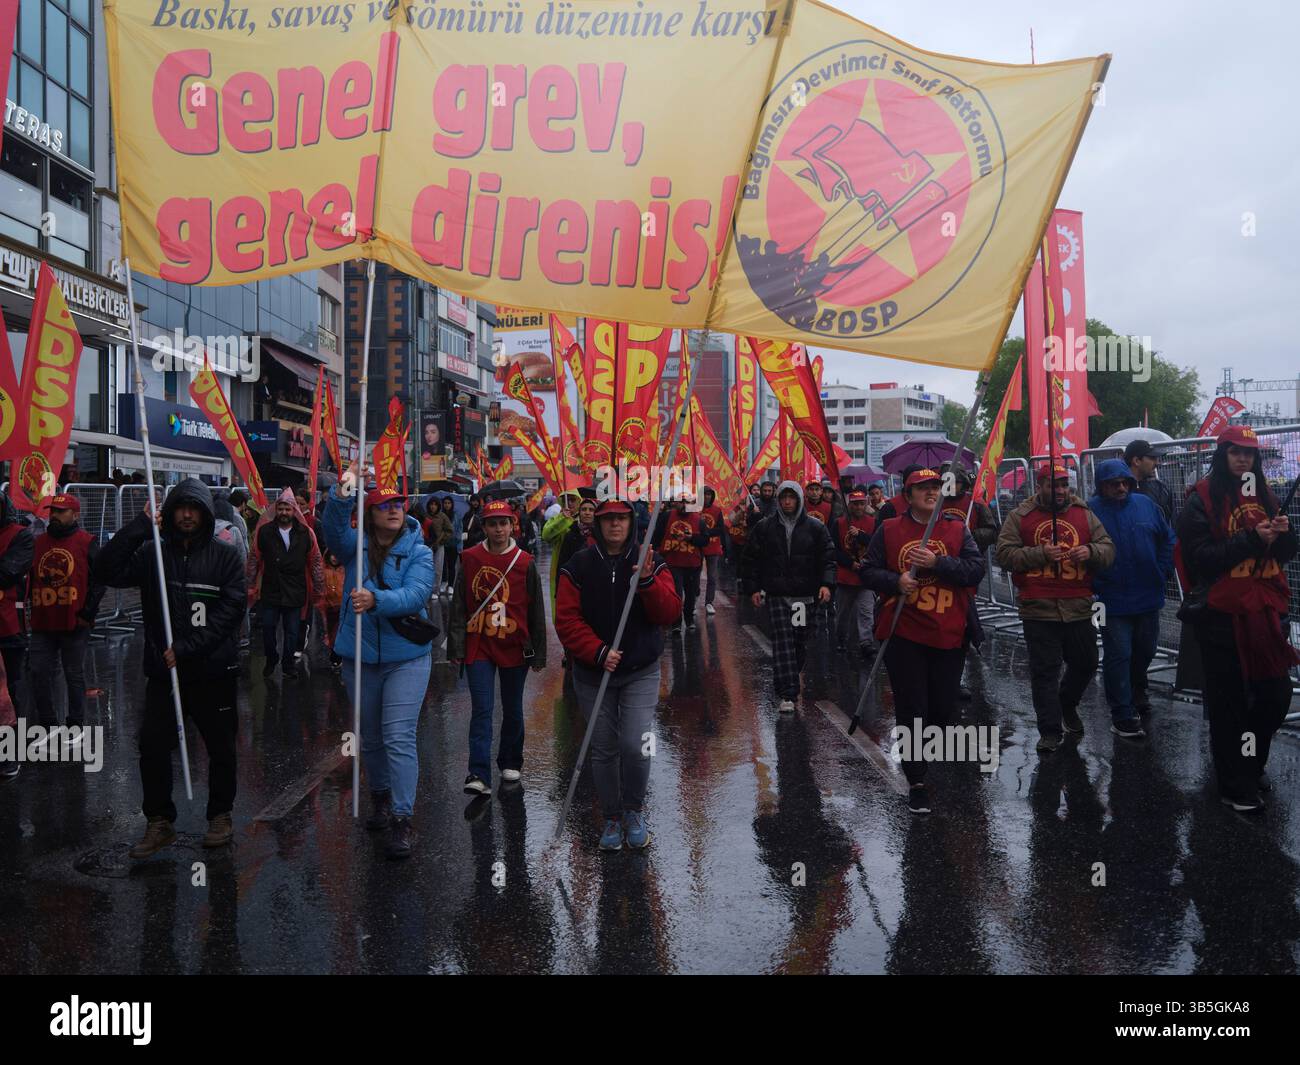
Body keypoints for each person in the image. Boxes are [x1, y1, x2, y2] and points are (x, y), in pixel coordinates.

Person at [94, 479, 246, 857]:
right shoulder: (152, 555)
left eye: (195, 509)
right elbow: (105, 569)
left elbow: (231, 610)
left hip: (212, 672)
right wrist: (139, 527)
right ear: (171, 512)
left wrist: (189, 648)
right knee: (152, 745)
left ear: (207, 513)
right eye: (181, 508)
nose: (188, 515)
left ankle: (220, 815)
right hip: (165, 675)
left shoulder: (226, 557)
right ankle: (159, 821)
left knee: (221, 748)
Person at [1176, 425, 1297, 812]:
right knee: (1229, 705)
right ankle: (1233, 784)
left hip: (1263, 610)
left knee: (1275, 696)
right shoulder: (1201, 498)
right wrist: (1250, 539)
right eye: (1235, 452)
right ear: (1222, 453)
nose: (1243, 459)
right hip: (1221, 614)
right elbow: (1200, 559)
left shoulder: (1264, 493)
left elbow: (1284, 555)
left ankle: (1250, 764)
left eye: (1249, 453)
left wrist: (1285, 534)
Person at [554, 499, 681, 850]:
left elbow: (669, 611)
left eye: (621, 519)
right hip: (593, 673)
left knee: (637, 744)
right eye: (608, 519)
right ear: (598, 522)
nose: (615, 526)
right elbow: (565, 618)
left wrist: (647, 581)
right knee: (604, 748)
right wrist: (597, 651)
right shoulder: (579, 564)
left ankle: (634, 810)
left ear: (631, 522)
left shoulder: (648, 559)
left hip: (640, 670)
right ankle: (610, 816)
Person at [322, 469, 436, 859]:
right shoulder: (355, 546)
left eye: (398, 504)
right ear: (369, 514)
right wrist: (341, 494)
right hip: (360, 656)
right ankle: (381, 798)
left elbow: (416, 595)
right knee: (369, 736)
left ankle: (403, 819)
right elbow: (331, 531)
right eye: (383, 506)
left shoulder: (419, 551)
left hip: (407, 657)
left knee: (398, 735)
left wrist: (376, 601)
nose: (392, 510)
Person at [861, 469, 985, 814]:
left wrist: (938, 562)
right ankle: (916, 780)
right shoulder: (888, 530)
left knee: (942, 709)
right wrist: (894, 580)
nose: (931, 493)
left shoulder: (958, 530)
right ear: (908, 493)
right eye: (923, 488)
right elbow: (867, 571)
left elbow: (975, 571)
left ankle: (932, 753)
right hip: (905, 631)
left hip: (948, 632)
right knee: (912, 704)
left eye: (936, 487)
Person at [995, 462, 1115, 753]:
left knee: (1086, 662)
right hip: (1038, 607)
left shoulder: (1084, 514)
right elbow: (1004, 554)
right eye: (1053, 485)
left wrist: (1091, 551)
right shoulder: (1019, 516)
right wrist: (1040, 554)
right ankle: (1049, 731)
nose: (1060, 490)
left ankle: (1067, 704)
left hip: (1078, 605)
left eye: (1064, 485)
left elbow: (1108, 548)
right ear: (1040, 486)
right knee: (1045, 671)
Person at [448, 500, 546, 796]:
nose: (499, 529)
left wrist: (539, 653)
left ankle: (510, 760)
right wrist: (456, 648)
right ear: (484, 527)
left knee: (513, 708)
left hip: (515, 646)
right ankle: (478, 772)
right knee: (482, 709)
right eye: (493, 523)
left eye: (504, 523)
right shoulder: (468, 558)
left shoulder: (525, 562)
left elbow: (536, 612)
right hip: (479, 644)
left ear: (512, 525)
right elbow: (458, 607)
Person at [1088, 459, 1177, 738]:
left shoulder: (1146, 505)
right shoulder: (1089, 512)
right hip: (1109, 598)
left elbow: (1167, 539)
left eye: (1125, 482)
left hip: (1148, 594)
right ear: (1102, 486)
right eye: (1114, 483)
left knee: (1146, 650)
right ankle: (1122, 712)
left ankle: (1137, 688)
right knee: (1119, 653)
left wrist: (1162, 570)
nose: (1121, 487)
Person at [738, 481, 836, 712]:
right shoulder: (765, 527)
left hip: (804, 597)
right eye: (784, 497)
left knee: (798, 641)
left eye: (792, 497)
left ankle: (792, 673)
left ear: (799, 499)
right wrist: (752, 588)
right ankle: (788, 693)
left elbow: (828, 558)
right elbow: (750, 559)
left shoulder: (815, 528)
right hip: (778, 595)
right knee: (783, 643)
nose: (787, 501)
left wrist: (826, 584)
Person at [29, 494, 106, 731]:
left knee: (73, 674)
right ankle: (48, 723)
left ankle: (75, 724)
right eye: (53, 510)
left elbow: (100, 580)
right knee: (39, 672)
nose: (54, 515)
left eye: (61, 511)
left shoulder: (88, 541)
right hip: (43, 621)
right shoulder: (37, 542)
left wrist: (87, 614)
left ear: (76, 515)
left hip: (74, 621)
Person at [246, 488, 324, 679]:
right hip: (271, 589)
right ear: (276, 509)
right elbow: (254, 558)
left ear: (294, 511)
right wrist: (249, 584)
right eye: (280, 508)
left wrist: (319, 587)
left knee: (292, 632)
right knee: (268, 629)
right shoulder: (264, 531)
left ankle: (288, 664)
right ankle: (271, 658)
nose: (283, 512)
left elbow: (315, 560)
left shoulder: (306, 533)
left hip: (295, 590)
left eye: (287, 509)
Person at [939, 463, 999, 699]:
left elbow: (993, 531)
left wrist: (966, 538)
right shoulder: (936, 502)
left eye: (956, 482)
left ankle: (955, 679)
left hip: (965, 573)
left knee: (961, 627)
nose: (951, 487)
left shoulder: (976, 503)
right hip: (938, 572)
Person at [0, 492, 35, 777]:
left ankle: (10, 752)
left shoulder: (21, 536)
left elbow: (7, 571)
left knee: (11, 691)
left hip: (8, 626)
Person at [832, 487, 877, 659]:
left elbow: (876, 545)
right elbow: (834, 550)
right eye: (855, 504)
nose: (858, 507)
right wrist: (850, 563)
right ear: (849, 505)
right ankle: (841, 639)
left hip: (866, 577)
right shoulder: (839, 523)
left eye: (861, 504)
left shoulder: (873, 523)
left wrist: (861, 535)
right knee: (843, 613)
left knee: (866, 612)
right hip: (846, 577)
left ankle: (866, 642)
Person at [653, 497, 711, 631]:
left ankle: (689, 618)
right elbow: (657, 536)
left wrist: (691, 538)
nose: (684, 505)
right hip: (672, 562)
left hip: (692, 564)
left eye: (687, 502)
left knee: (691, 594)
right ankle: (676, 622)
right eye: (681, 502)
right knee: (676, 594)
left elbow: (705, 540)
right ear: (675, 503)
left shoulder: (698, 520)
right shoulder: (667, 516)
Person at [541, 489, 582, 606]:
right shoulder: (558, 518)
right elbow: (546, 535)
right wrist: (562, 519)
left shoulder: (585, 517)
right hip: (562, 567)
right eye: (565, 501)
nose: (569, 503)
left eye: (572, 500)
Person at [1124, 439, 1174, 523]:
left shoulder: (1161, 489)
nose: (1157, 463)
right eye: (1152, 458)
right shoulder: (1117, 490)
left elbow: (1170, 524)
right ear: (1137, 461)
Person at [700, 486, 726, 615]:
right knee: (694, 577)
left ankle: (709, 602)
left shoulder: (717, 510)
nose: (707, 497)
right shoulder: (694, 509)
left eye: (709, 494)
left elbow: (721, 529)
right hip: (697, 547)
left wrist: (706, 532)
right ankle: (693, 598)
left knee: (712, 576)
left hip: (713, 547)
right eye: (704, 494)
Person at [423, 497, 453, 596]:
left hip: (439, 546)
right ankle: (427, 589)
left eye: (435, 504)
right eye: (431, 504)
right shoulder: (425, 516)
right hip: (427, 546)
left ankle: (435, 590)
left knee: (438, 568)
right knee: (427, 568)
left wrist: (442, 540)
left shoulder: (442, 516)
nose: (433, 507)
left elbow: (449, 530)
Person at [440, 495, 461, 593]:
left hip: (453, 544)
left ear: (452, 504)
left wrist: (458, 544)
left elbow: (459, 529)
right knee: (443, 565)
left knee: (451, 565)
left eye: (449, 503)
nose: (447, 505)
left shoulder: (456, 515)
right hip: (443, 543)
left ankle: (451, 585)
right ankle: (444, 582)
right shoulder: (440, 515)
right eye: (445, 503)